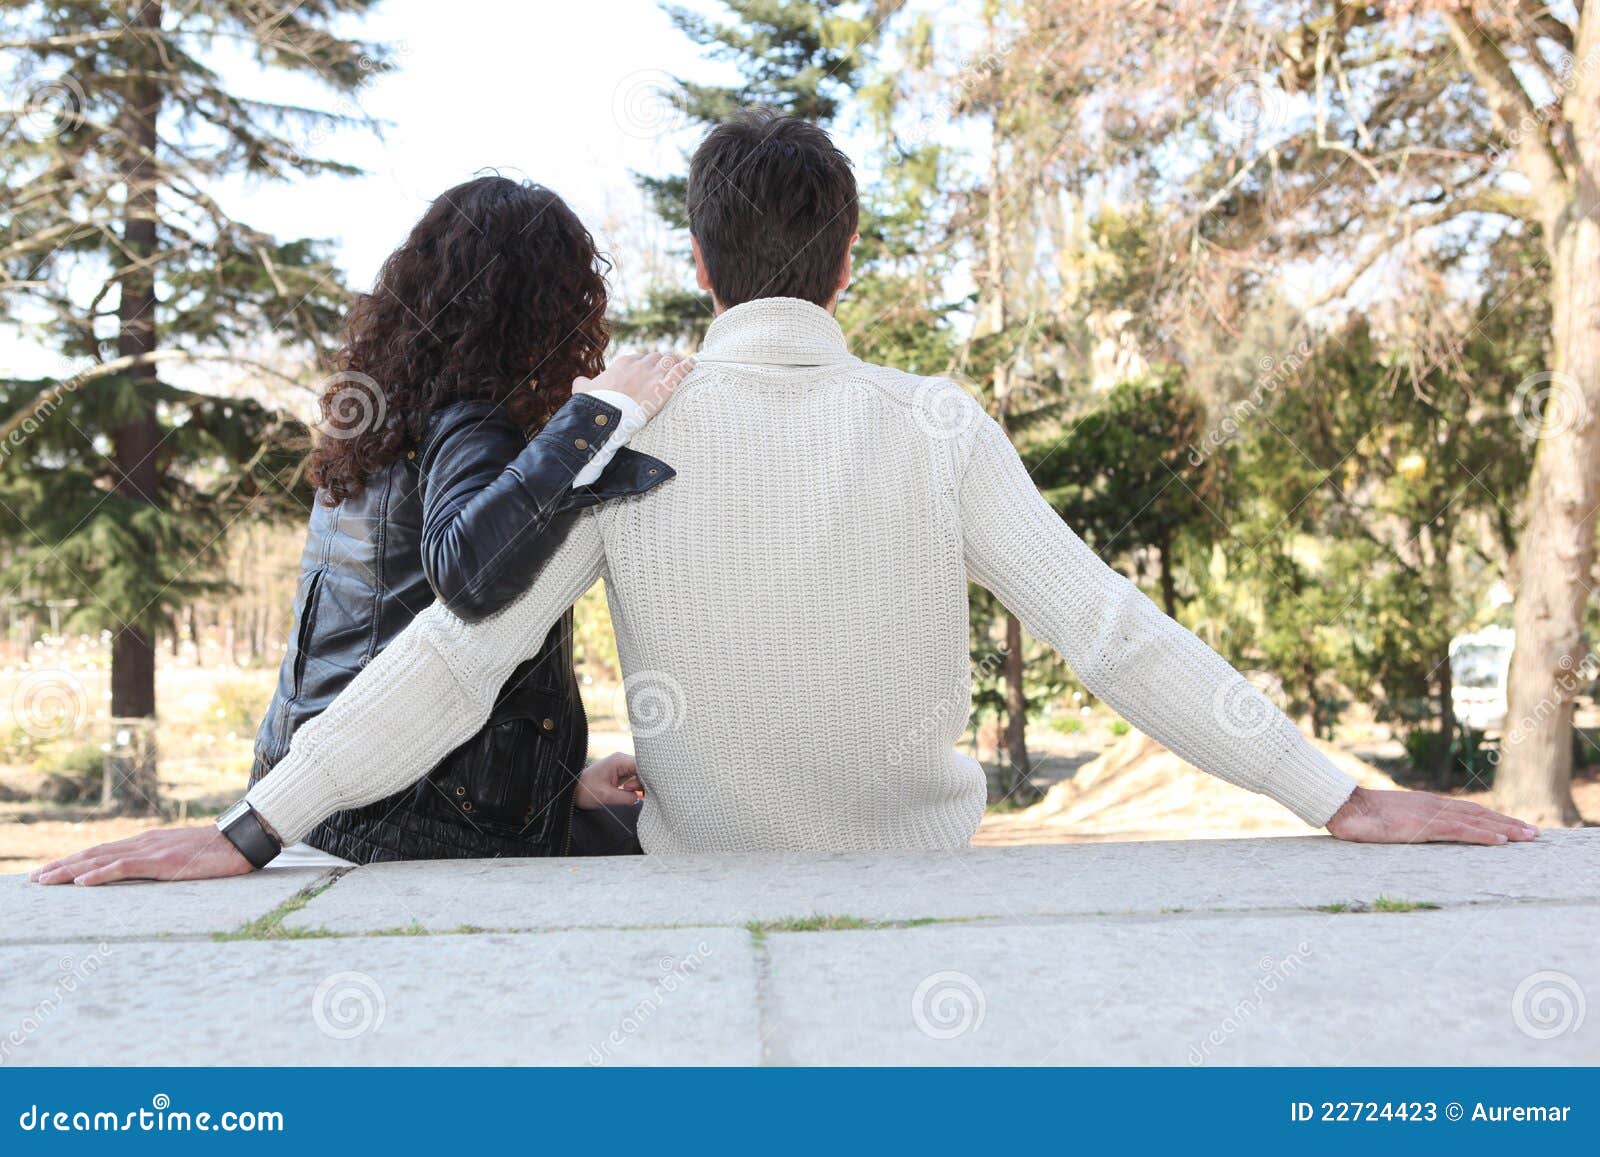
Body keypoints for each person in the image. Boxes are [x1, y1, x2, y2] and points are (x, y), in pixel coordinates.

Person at [35, 113, 1536, 884]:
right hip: (930, 884)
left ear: (699, 262)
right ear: (846, 253)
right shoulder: (936, 424)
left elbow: (451, 658)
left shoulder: (617, 436)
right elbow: (1115, 636)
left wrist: (241, 831)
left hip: (697, 895)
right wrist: (1339, 794)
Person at [34, 175, 690, 882]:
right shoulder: (474, 424)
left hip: (323, 798)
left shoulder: (378, 433)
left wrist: (560, 785)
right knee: (685, 851)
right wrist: (593, 420)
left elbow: (391, 637)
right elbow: (468, 574)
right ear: (549, 309)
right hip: (419, 819)